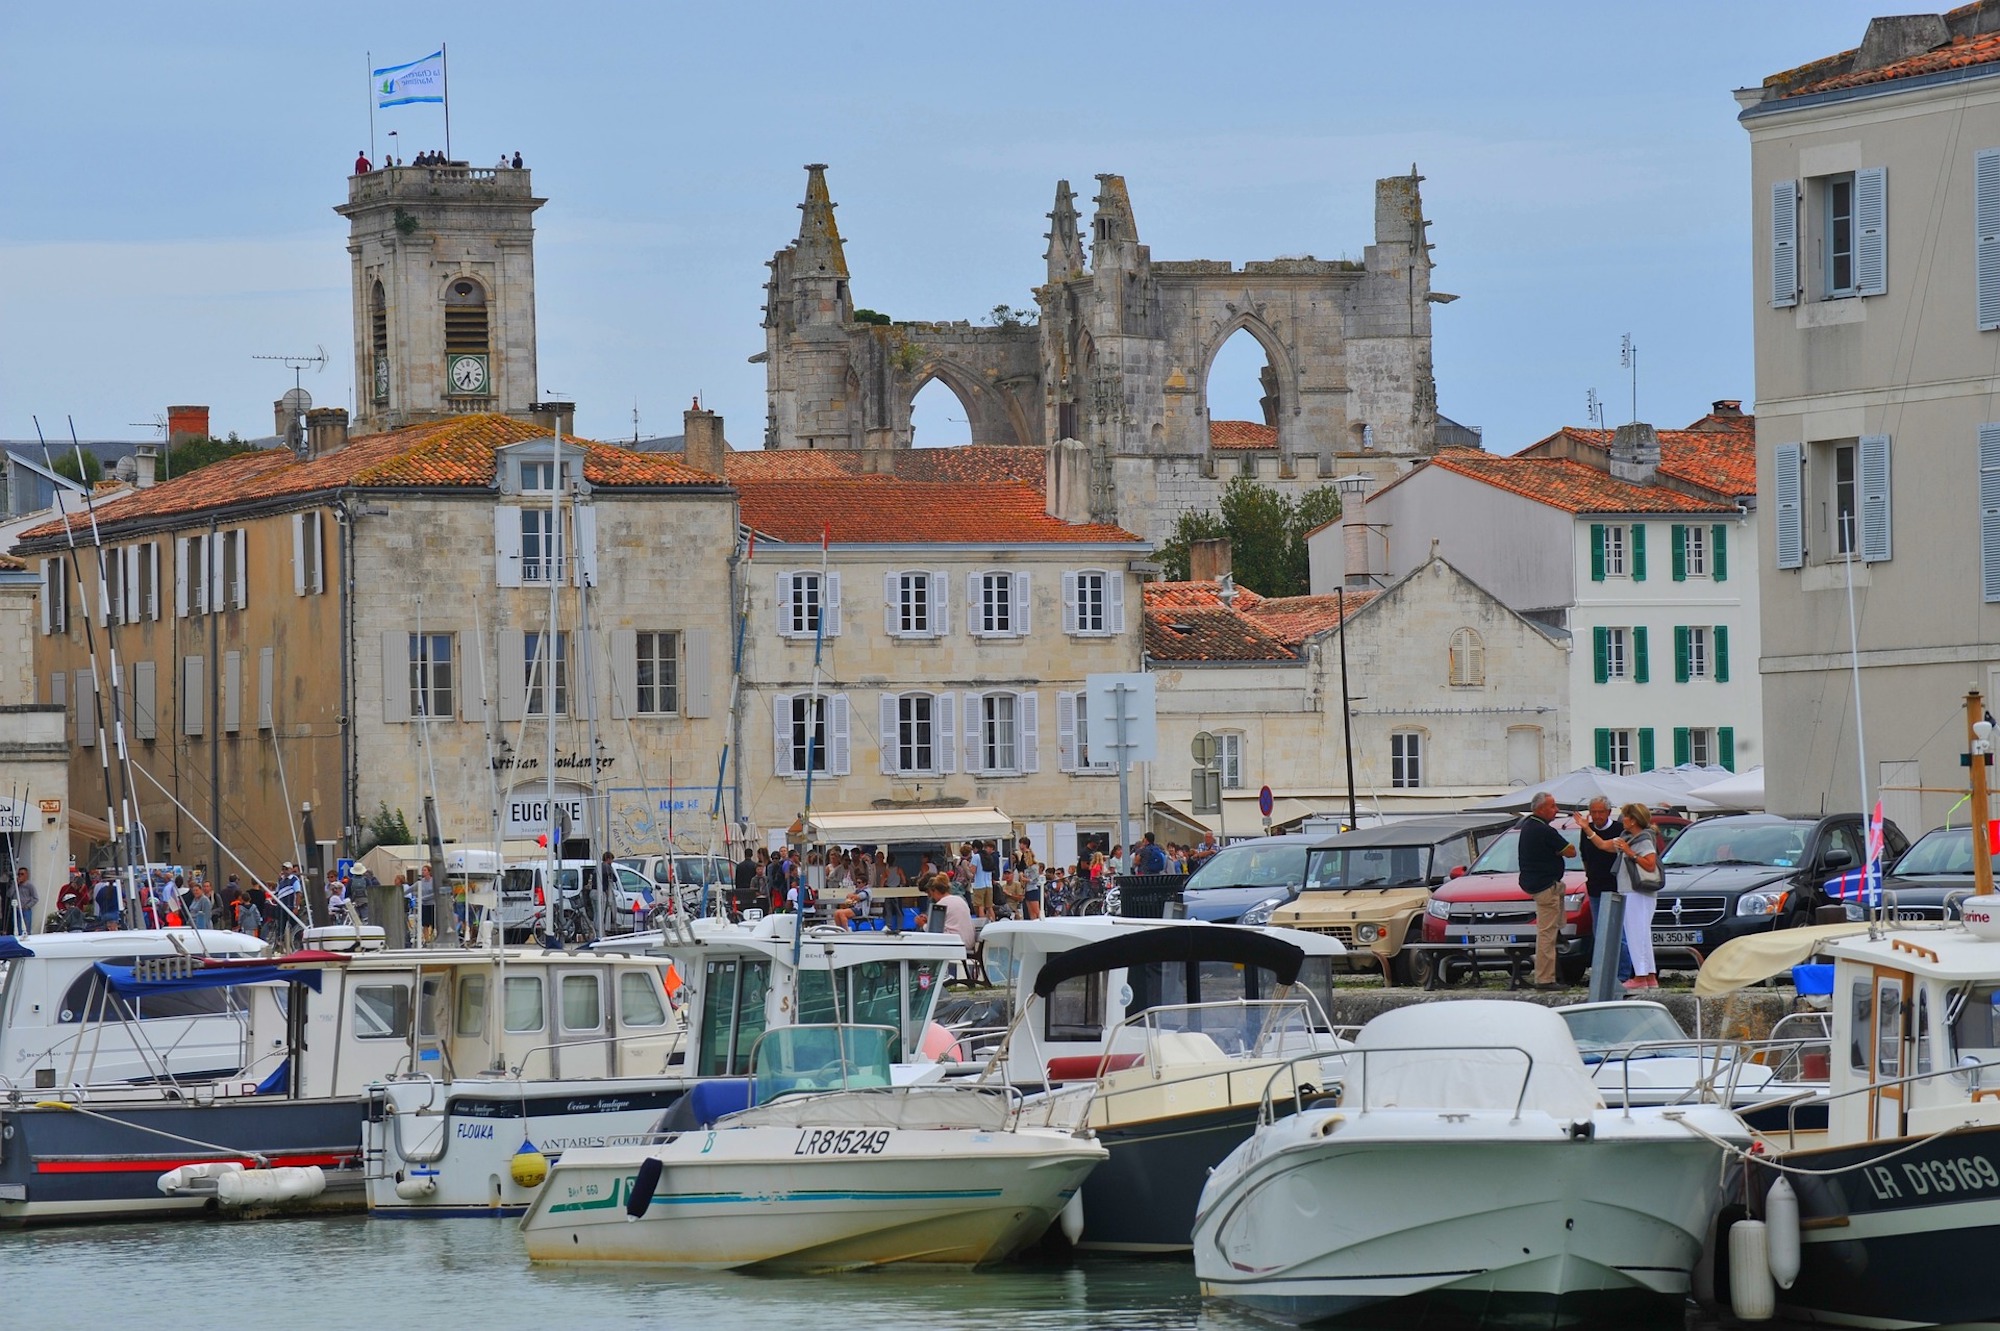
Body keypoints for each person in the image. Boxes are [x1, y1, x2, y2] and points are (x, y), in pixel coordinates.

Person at [1587, 804, 1663, 992]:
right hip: (1632, 891)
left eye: (1625, 817)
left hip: (1638, 891)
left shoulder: (1643, 839)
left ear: (1634, 820)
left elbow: (1650, 863)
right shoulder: (1627, 838)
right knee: (1642, 933)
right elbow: (1603, 845)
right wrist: (1585, 827)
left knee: (1636, 934)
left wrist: (1630, 852)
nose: (1622, 820)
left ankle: (1640, 976)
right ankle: (1650, 976)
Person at [1516, 791, 1578, 991]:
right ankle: (1544, 979)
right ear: (1541, 809)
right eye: (1553, 806)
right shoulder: (1544, 830)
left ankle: (1552, 972)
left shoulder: (1527, 827)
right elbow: (1570, 851)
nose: (1557, 810)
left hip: (1537, 885)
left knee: (1551, 930)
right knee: (1547, 934)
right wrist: (1557, 851)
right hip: (1546, 887)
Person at [1577, 797, 1634, 984]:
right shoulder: (1585, 830)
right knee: (1599, 933)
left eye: (1601, 812)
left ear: (1609, 812)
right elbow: (1585, 857)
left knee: (1620, 933)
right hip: (1595, 887)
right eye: (1594, 812)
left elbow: (1603, 846)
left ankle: (1623, 973)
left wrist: (1587, 829)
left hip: (1616, 887)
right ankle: (1604, 974)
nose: (1597, 816)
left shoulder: (1619, 830)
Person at [924, 874, 976, 950]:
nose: (931, 897)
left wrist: (923, 924)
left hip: (955, 942)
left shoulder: (941, 905)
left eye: (931, 893)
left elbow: (933, 931)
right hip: (968, 942)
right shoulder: (960, 900)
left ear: (935, 891)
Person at [971, 842, 995, 919]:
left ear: (975, 848)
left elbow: (973, 871)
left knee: (980, 907)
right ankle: (993, 924)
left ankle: (982, 925)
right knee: (989, 907)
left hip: (979, 885)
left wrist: (969, 867)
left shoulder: (976, 857)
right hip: (989, 885)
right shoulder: (989, 857)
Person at [14, 866, 37, 934]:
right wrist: (15, 885)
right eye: (19, 874)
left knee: (25, 928)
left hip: (25, 909)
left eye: (22, 874)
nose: (20, 876)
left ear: (26, 875)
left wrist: (27, 906)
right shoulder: (16, 885)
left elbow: (35, 898)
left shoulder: (29, 885)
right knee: (16, 926)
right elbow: (9, 894)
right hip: (16, 909)